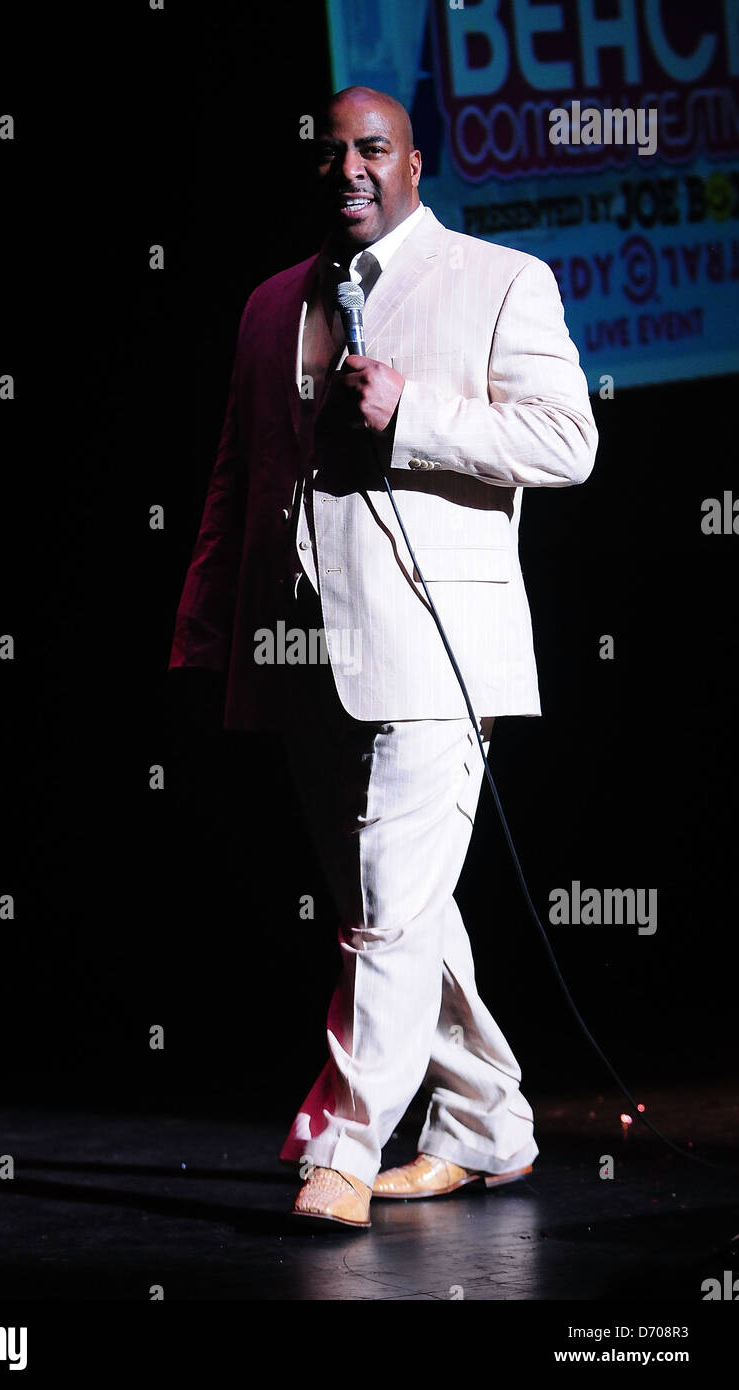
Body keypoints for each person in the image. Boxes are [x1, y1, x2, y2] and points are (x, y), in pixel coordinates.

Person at [169, 86, 597, 1228]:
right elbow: (235, 477)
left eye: (372, 149)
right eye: (331, 153)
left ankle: (345, 1145)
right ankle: (489, 1121)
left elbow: (566, 440)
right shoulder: (269, 304)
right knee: (406, 910)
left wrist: (414, 414)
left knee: (390, 910)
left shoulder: (498, 280)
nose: (349, 168)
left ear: (414, 162)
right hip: (301, 650)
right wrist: (205, 628)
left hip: (436, 651)